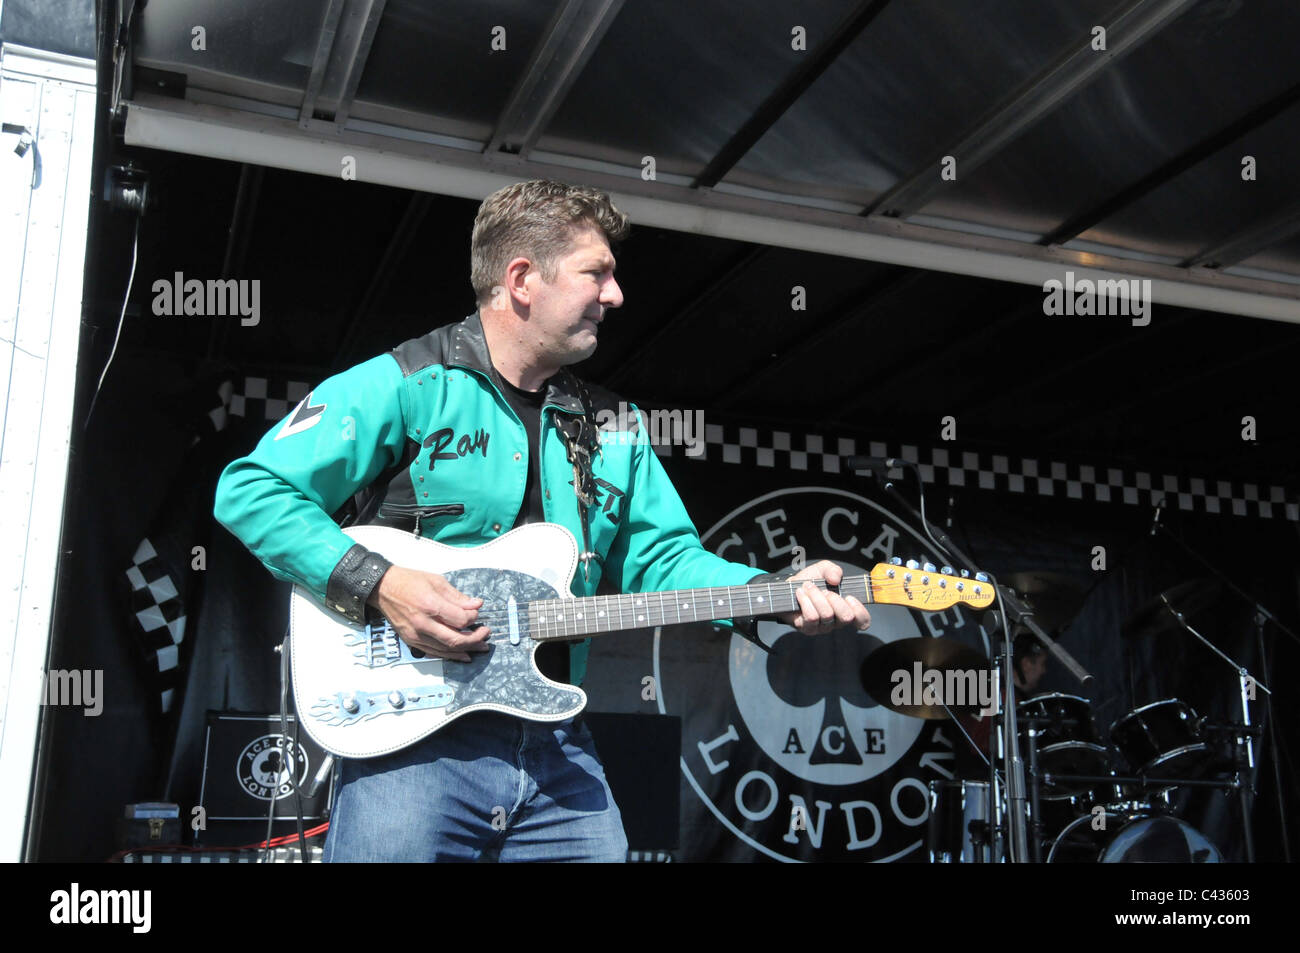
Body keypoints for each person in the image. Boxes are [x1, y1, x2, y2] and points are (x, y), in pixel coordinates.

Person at [213, 179, 870, 862]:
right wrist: (381, 583)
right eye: (598, 272)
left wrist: (773, 590)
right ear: (522, 279)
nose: (616, 295)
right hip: (410, 743)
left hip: (558, 745)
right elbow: (251, 489)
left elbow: (667, 561)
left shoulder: (616, 426)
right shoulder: (406, 383)